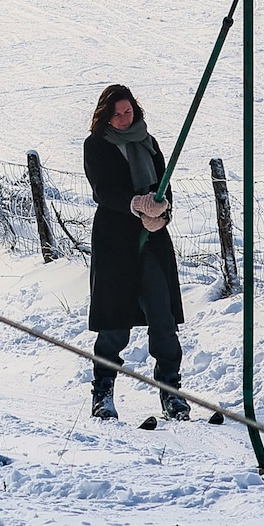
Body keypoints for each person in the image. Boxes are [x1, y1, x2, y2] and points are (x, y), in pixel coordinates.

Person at [82, 83, 191, 424]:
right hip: (116, 244)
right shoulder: (96, 145)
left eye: (128, 111)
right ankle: (103, 393)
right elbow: (103, 191)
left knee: (162, 318)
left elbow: (164, 188)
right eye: (116, 114)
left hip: (152, 241)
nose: (123, 118)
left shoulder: (149, 142)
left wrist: (162, 215)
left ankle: (171, 392)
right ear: (105, 116)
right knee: (115, 323)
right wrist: (135, 203)